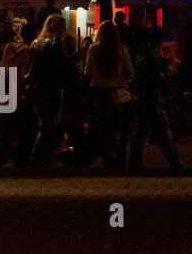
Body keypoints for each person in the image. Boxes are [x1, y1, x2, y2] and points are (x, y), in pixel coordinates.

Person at [82, 20, 135, 168]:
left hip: (99, 95)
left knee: (102, 129)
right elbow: (130, 73)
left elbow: (87, 73)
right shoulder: (122, 49)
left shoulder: (93, 50)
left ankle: (106, 159)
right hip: (118, 95)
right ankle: (119, 160)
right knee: (118, 130)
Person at [129, 27, 183, 169]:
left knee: (140, 135)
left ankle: (135, 162)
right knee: (163, 134)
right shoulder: (152, 58)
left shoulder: (141, 55)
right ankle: (174, 162)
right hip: (152, 101)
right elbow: (153, 82)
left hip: (142, 100)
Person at [26, 13, 76, 166]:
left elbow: (32, 68)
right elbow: (62, 68)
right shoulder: (56, 44)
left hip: (36, 89)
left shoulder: (36, 43)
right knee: (50, 126)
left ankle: (39, 158)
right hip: (51, 89)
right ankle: (38, 158)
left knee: (43, 124)